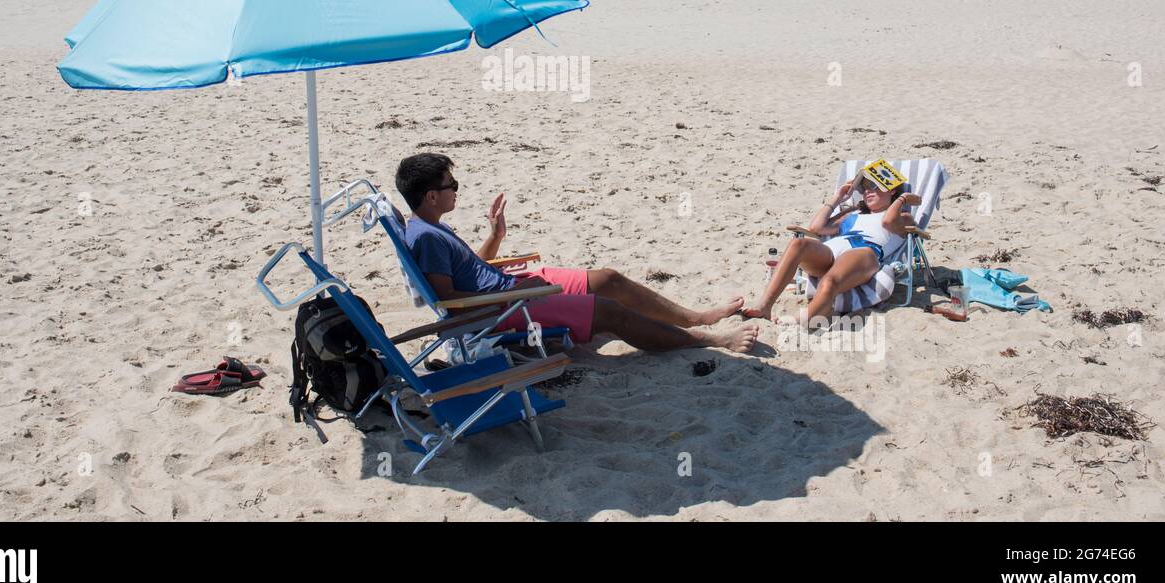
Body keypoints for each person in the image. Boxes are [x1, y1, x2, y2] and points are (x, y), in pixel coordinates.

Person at [394, 153, 759, 354]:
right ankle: (710, 340)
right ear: (430, 196)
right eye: (451, 185)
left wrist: (496, 237)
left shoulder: (430, 225)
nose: (456, 190)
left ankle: (695, 318)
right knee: (609, 312)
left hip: (511, 287)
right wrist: (514, 294)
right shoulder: (427, 238)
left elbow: (469, 269)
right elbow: (449, 301)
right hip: (505, 306)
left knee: (608, 279)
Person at [744, 172, 921, 327]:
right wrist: (837, 198)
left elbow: (887, 221)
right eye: (864, 187)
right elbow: (816, 227)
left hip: (865, 251)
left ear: (891, 189)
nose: (867, 191)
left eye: (874, 185)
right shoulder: (852, 217)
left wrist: (902, 198)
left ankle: (803, 320)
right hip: (834, 248)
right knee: (798, 244)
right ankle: (764, 307)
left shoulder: (903, 217)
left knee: (829, 282)